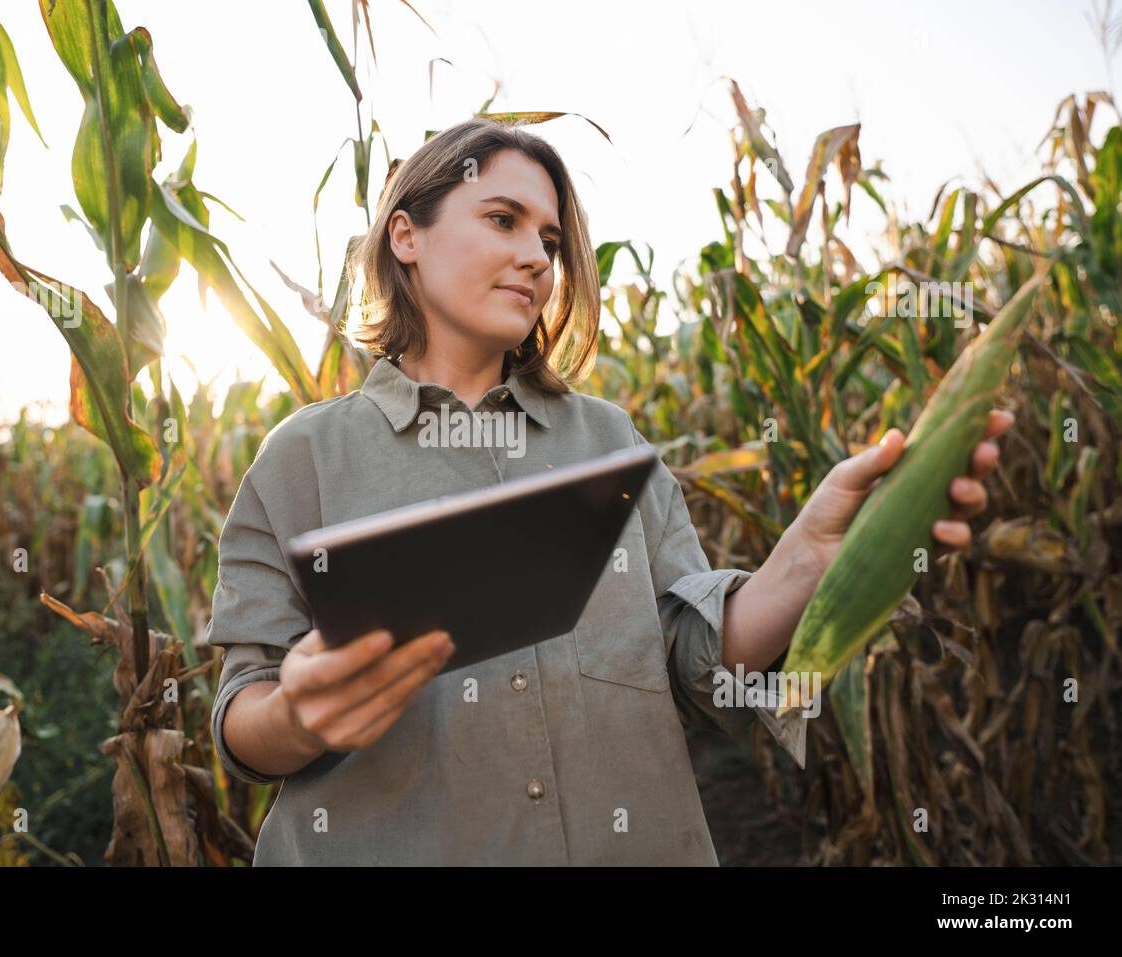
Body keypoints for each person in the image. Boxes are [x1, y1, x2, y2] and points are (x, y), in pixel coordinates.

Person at [204, 119, 1011, 865]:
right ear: (406, 235)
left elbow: (695, 663)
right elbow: (242, 723)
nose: (537, 259)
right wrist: (298, 716)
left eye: (550, 240)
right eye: (502, 220)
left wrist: (809, 559)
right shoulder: (301, 460)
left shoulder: (609, 442)